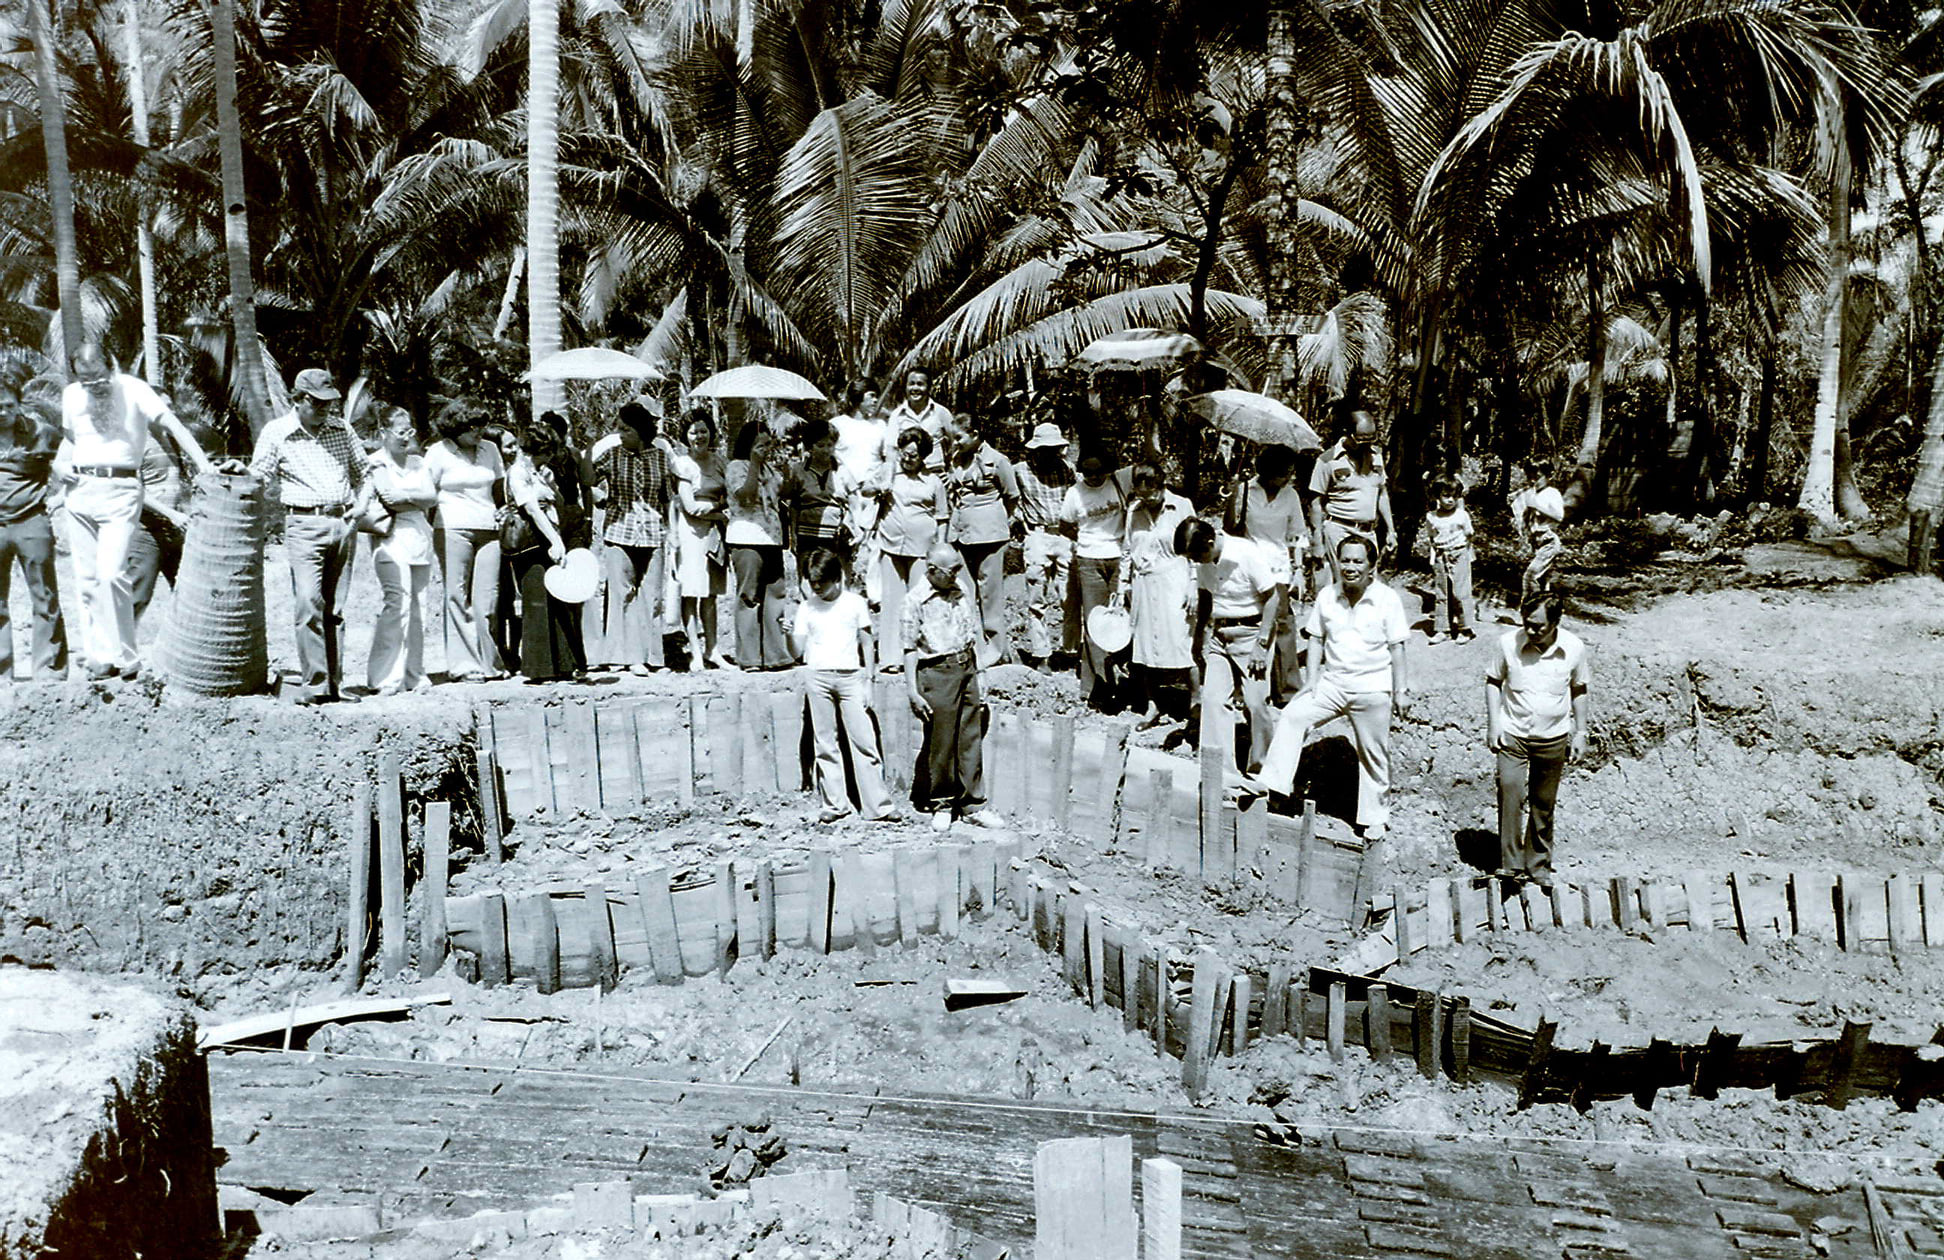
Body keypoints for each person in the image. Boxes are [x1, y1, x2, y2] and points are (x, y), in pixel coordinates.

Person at [57, 344, 215, 680]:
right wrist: (60, 467)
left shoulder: (135, 390)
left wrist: (205, 465)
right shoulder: (72, 396)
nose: (93, 386)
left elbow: (174, 426)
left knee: (112, 574)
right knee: (86, 581)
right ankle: (99, 657)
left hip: (121, 489)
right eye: (86, 381)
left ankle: (127, 657)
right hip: (79, 492)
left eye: (99, 378)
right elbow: (71, 440)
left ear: (112, 365)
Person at [1252, 535, 1411, 840]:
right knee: (1293, 716)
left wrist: (1400, 691)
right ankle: (1274, 788)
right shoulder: (1327, 595)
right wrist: (1312, 679)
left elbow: (1397, 648)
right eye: (1345, 560)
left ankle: (1373, 818)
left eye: (1357, 561)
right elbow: (1316, 639)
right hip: (1333, 683)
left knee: (1374, 751)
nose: (1350, 567)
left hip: (1372, 687)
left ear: (1371, 566)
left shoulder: (1387, 599)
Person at [248, 367, 364, 703]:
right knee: (308, 602)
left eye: (329, 403)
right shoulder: (278, 433)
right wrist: (239, 473)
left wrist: (362, 505)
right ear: (297, 400)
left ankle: (335, 684)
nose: (324, 409)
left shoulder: (342, 430)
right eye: (317, 403)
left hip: (343, 522)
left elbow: (366, 472)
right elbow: (259, 475)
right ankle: (314, 686)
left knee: (335, 608)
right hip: (303, 525)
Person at [1486, 594, 1591, 889]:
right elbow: (1493, 682)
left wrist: (1580, 732)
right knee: (1510, 792)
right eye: (1526, 624)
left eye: (1538, 627)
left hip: (1553, 737)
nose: (1531, 631)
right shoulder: (1508, 644)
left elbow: (1579, 689)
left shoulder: (1573, 648)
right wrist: (1494, 724)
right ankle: (1511, 864)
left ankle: (1538, 865)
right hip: (1513, 734)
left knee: (1543, 803)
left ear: (1556, 622)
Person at [790, 548, 897, 823]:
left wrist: (869, 681)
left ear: (836, 578)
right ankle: (836, 804)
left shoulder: (855, 603)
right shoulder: (806, 607)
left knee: (864, 742)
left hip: (851, 677)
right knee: (825, 743)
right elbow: (796, 650)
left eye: (821, 584)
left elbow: (866, 642)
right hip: (817, 677)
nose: (817, 589)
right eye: (812, 584)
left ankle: (878, 806)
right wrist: (789, 634)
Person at [903, 542, 1004, 832]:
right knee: (942, 741)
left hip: (967, 666)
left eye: (960, 568)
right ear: (931, 570)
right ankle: (942, 802)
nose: (958, 574)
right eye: (953, 570)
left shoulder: (960, 589)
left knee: (969, 737)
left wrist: (980, 672)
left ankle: (973, 804)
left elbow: (971, 633)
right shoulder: (915, 600)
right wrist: (912, 690)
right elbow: (909, 648)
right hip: (937, 671)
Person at [1177, 516, 1283, 779]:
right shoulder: (1204, 558)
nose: (1194, 563)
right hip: (1220, 635)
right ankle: (1221, 773)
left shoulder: (1246, 553)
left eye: (1195, 557)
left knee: (1256, 703)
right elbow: (1204, 596)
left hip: (1252, 633)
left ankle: (1262, 772)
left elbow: (1273, 599)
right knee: (1213, 702)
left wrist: (1261, 644)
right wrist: (1198, 635)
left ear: (1211, 543)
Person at [356, 408, 438, 694]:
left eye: (409, 431)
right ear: (383, 432)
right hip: (390, 538)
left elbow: (431, 497)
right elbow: (389, 499)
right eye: (400, 432)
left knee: (420, 607)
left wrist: (409, 498)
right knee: (397, 604)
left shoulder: (418, 461)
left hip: (418, 537)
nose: (406, 437)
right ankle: (384, 677)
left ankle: (414, 673)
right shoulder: (375, 462)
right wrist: (414, 499)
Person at [423, 402, 508, 680]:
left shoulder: (491, 450)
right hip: (452, 528)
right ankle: (464, 666)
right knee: (457, 595)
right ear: (456, 428)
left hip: (488, 528)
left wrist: (501, 513)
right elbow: (427, 495)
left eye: (482, 425)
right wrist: (439, 525)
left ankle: (491, 663)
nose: (479, 431)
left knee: (488, 599)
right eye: (473, 427)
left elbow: (499, 488)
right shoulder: (437, 453)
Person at [504, 413, 590, 682]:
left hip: (550, 537)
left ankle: (563, 664)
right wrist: (556, 540)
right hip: (532, 543)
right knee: (537, 601)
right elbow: (531, 508)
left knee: (557, 601)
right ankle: (539, 668)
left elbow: (558, 502)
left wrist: (551, 484)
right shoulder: (517, 473)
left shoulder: (540, 473)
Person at [588, 403, 671, 675]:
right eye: (619, 429)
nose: (621, 434)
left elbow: (667, 497)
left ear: (641, 430)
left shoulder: (661, 457)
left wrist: (673, 533)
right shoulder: (612, 455)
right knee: (622, 594)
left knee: (652, 596)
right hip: (619, 532)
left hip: (653, 531)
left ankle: (652, 657)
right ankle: (623, 656)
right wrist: (589, 455)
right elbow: (588, 479)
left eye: (627, 429)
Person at [0, 377, 67, 680]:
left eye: (8, 406)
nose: (2, 412)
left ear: (18, 404)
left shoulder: (43, 433)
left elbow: (76, 461)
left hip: (31, 522)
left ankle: (49, 675)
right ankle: (3, 675)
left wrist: (60, 498)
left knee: (45, 598)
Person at [1230, 444, 1309, 696]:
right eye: (1283, 472)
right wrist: (1233, 497)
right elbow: (1230, 528)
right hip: (1247, 568)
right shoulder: (1244, 490)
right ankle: (1248, 687)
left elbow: (1297, 534)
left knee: (1283, 626)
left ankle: (1287, 689)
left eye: (1290, 472)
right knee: (1251, 623)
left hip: (1277, 568)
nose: (1288, 477)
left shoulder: (1291, 495)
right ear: (1267, 471)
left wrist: (1298, 569)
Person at [941, 413, 1019, 661]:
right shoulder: (956, 459)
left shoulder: (998, 461)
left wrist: (994, 522)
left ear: (975, 435)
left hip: (989, 534)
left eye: (960, 437)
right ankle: (972, 646)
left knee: (990, 594)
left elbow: (1012, 496)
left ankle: (995, 650)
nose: (955, 443)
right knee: (964, 590)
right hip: (961, 532)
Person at [1124, 463, 1194, 729]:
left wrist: (1194, 584)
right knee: (1145, 647)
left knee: (1181, 642)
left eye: (1152, 492)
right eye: (1141, 493)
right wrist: (1122, 587)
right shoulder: (1134, 511)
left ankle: (1196, 703)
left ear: (1162, 484)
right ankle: (1154, 705)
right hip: (1143, 582)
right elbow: (1126, 549)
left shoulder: (1181, 506)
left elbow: (1194, 544)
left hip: (1175, 580)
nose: (1147, 498)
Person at [872, 426, 947, 666]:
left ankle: (922, 657)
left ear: (923, 456)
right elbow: (864, 489)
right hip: (891, 545)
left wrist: (941, 550)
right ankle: (890, 658)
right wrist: (879, 487)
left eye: (913, 455)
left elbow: (942, 517)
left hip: (922, 549)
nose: (907, 459)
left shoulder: (934, 481)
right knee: (892, 601)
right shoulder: (890, 474)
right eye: (904, 453)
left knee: (919, 602)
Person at [1060, 447, 1128, 705]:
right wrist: (1086, 543)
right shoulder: (1074, 493)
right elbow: (1066, 525)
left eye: (1098, 472)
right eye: (1088, 473)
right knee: (1094, 622)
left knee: (1120, 619)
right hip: (1089, 559)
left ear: (1107, 470)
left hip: (1119, 555)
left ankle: (1122, 681)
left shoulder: (1119, 482)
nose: (1094, 478)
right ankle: (1094, 687)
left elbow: (1151, 461)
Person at [725, 421, 792, 669]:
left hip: (771, 537)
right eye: (759, 445)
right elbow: (746, 496)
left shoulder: (771, 469)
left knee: (776, 594)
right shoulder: (735, 467)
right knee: (749, 596)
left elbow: (781, 495)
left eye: (767, 444)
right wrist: (753, 464)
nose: (765, 449)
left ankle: (776, 655)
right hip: (746, 537)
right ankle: (749, 657)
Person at [124, 400, 197, 624]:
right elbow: (133, 490)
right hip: (146, 530)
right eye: (162, 407)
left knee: (190, 593)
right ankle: (111, 654)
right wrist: (172, 514)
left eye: (170, 406)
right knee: (137, 596)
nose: (169, 412)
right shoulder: (134, 441)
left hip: (176, 530)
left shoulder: (171, 440)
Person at [1014, 421, 1076, 672]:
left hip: (1063, 535)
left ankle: (1071, 651)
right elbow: (1009, 495)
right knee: (1036, 597)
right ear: (1035, 449)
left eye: (1055, 448)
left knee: (1068, 596)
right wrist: (1020, 521)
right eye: (1045, 449)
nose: (1051, 453)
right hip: (1037, 535)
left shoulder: (1067, 469)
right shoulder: (1020, 471)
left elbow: (1076, 498)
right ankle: (1041, 654)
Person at [671, 410, 731, 668]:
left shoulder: (719, 461)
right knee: (692, 591)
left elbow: (730, 496)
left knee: (711, 593)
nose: (699, 436)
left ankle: (713, 649)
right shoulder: (682, 464)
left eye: (703, 430)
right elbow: (690, 506)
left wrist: (718, 510)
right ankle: (695, 652)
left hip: (714, 534)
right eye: (694, 431)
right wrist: (717, 512)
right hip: (691, 532)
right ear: (685, 435)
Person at [1307, 410, 1393, 588]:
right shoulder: (1327, 460)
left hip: (1368, 532)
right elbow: (1316, 503)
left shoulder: (1376, 457)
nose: (1365, 445)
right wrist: (1317, 540)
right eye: (1360, 440)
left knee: (1369, 586)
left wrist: (1391, 530)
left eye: (1370, 440)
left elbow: (1382, 494)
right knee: (1343, 585)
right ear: (1347, 433)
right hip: (1339, 529)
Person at [781, 416, 856, 577]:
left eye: (830, 445)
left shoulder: (842, 470)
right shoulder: (799, 471)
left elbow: (854, 500)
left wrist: (851, 525)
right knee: (809, 577)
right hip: (807, 535)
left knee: (836, 578)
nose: (826, 450)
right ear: (810, 447)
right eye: (820, 445)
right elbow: (793, 504)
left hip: (835, 535)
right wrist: (793, 536)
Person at [1424, 473, 1476, 643]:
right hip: (1440, 556)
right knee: (1441, 593)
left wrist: (1463, 553)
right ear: (1437, 496)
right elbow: (1432, 537)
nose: (1450, 500)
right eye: (1446, 496)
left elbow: (1469, 535)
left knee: (1460, 592)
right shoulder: (1431, 517)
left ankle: (1465, 628)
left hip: (1459, 553)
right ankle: (1442, 629)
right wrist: (1437, 555)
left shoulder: (1462, 515)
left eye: (1454, 496)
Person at [882, 368, 951, 471]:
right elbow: (891, 450)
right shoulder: (897, 415)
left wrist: (952, 473)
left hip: (936, 473)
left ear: (929, 387)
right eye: (911, 384)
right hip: (907, 476)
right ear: (905, 387)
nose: (915, 388)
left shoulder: (941, 413)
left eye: (920, 384)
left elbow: (956, 445)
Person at [1520, 461, 1567, 603]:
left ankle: (1530, 610)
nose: (1533, 480)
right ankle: (1546, 617)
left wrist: (1536, 505)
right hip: (1537, 542)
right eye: (1530, 476)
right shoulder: (1533, 493)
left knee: (1530, 576)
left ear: (1549, 476)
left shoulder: (1552, 493)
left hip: (1549, 541)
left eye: (1537, 476)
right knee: (1543, 582)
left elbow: (1559, 516)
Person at [1906, 413, 1944, 576]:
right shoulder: (1936, 453)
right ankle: (1918, 568)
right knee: (1922, 518)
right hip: (1928, 495)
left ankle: (1921, 567)